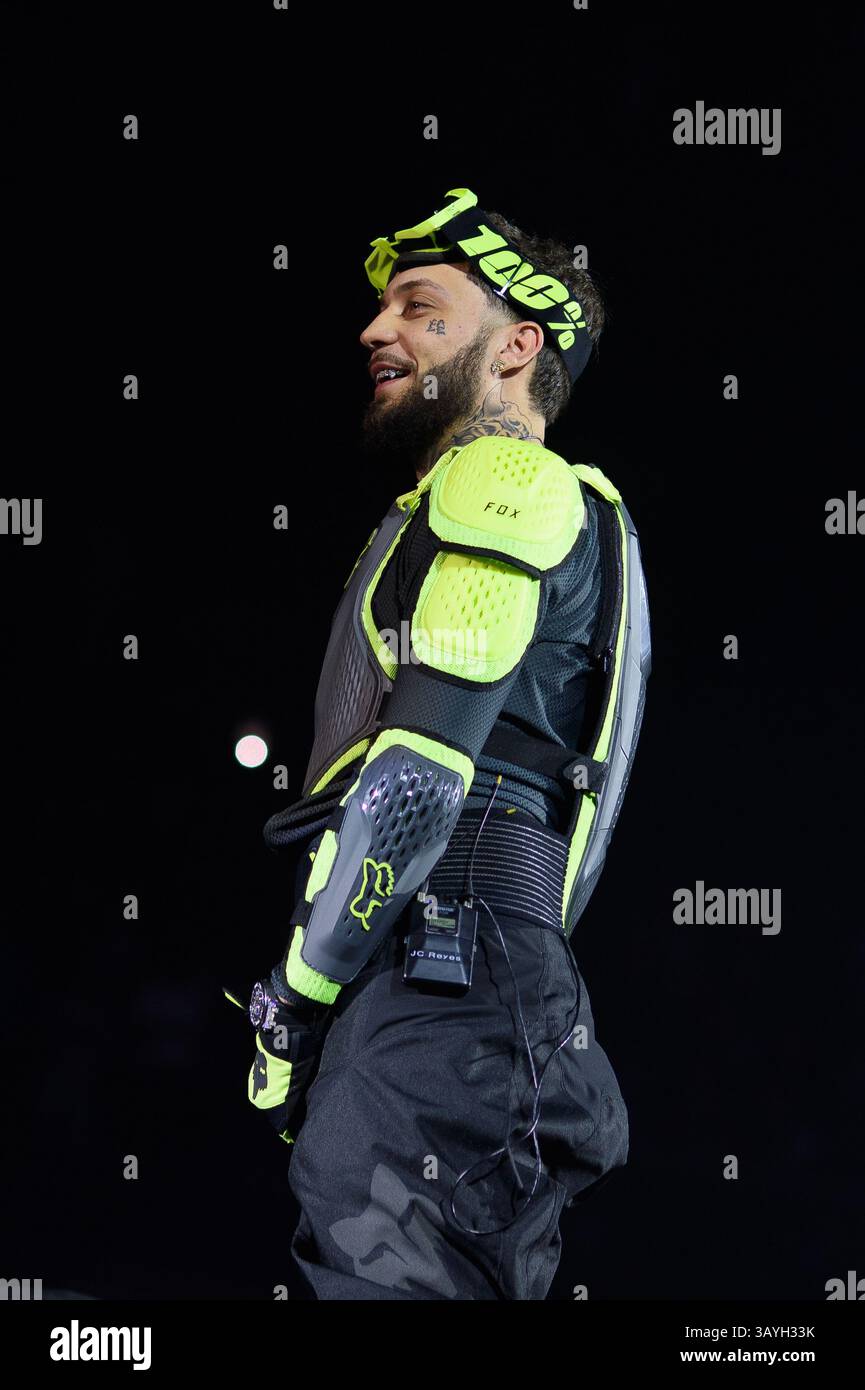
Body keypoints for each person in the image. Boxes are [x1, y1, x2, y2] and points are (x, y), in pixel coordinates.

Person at [224, 188, 651, 1299]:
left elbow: (416, 778)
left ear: (515, 347)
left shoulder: (502, 480)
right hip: (458, 972)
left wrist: (294, 1000)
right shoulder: (495, 505)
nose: (378, 329)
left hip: (445, 970)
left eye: (422, 309)